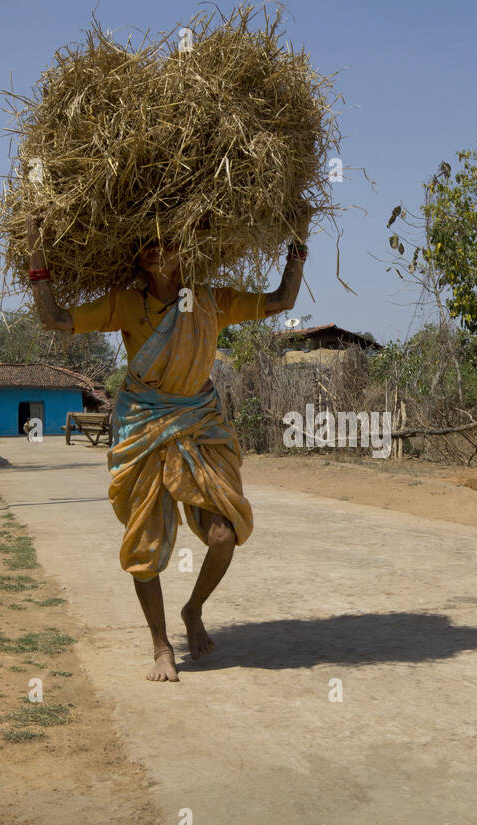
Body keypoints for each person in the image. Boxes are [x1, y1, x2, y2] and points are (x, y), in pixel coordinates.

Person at [27, 218, 309, 681]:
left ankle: (193, 609)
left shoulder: (210, 300)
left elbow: (283, 300)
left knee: (224, 536)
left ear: (187, 249)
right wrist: (37, 248)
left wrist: (298, 237)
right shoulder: (125, 303)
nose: (158, 249)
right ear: (137, 257)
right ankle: (161, 646)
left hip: (200, 424)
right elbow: (55, 318)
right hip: (143, 426)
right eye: (148, 243)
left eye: (169, 240)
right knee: (145, 544)